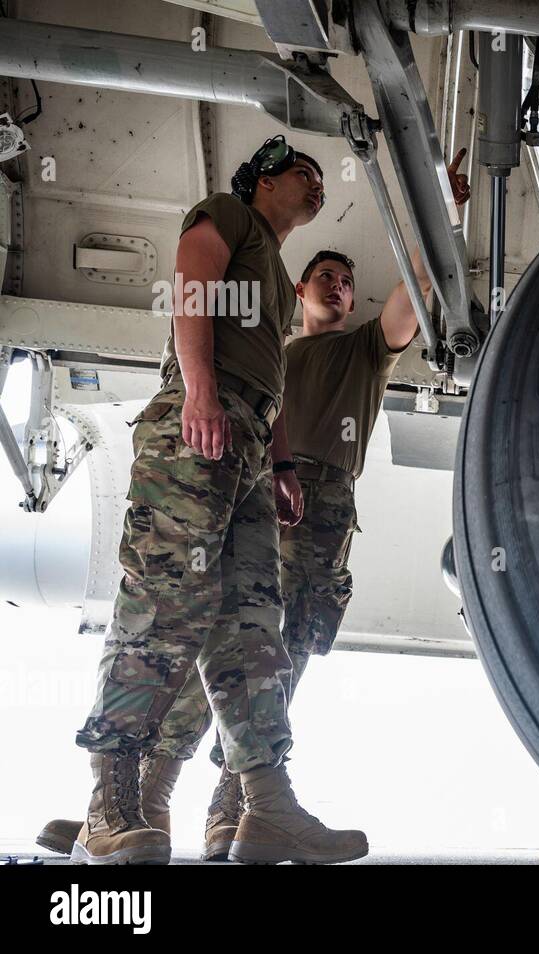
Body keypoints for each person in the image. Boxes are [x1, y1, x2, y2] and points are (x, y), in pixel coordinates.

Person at [37, 147, 471, 863]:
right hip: (203, 429)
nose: (318, 186)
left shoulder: (280, 286)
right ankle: (112, 804)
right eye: (305, 175)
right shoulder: (230, 216)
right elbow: (190, 288)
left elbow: (272, 392)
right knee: (164, 607)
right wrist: (201, 393)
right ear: (264, 179)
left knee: (253, 631)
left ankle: (264, 807)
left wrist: (280, 466)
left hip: (251, 451)